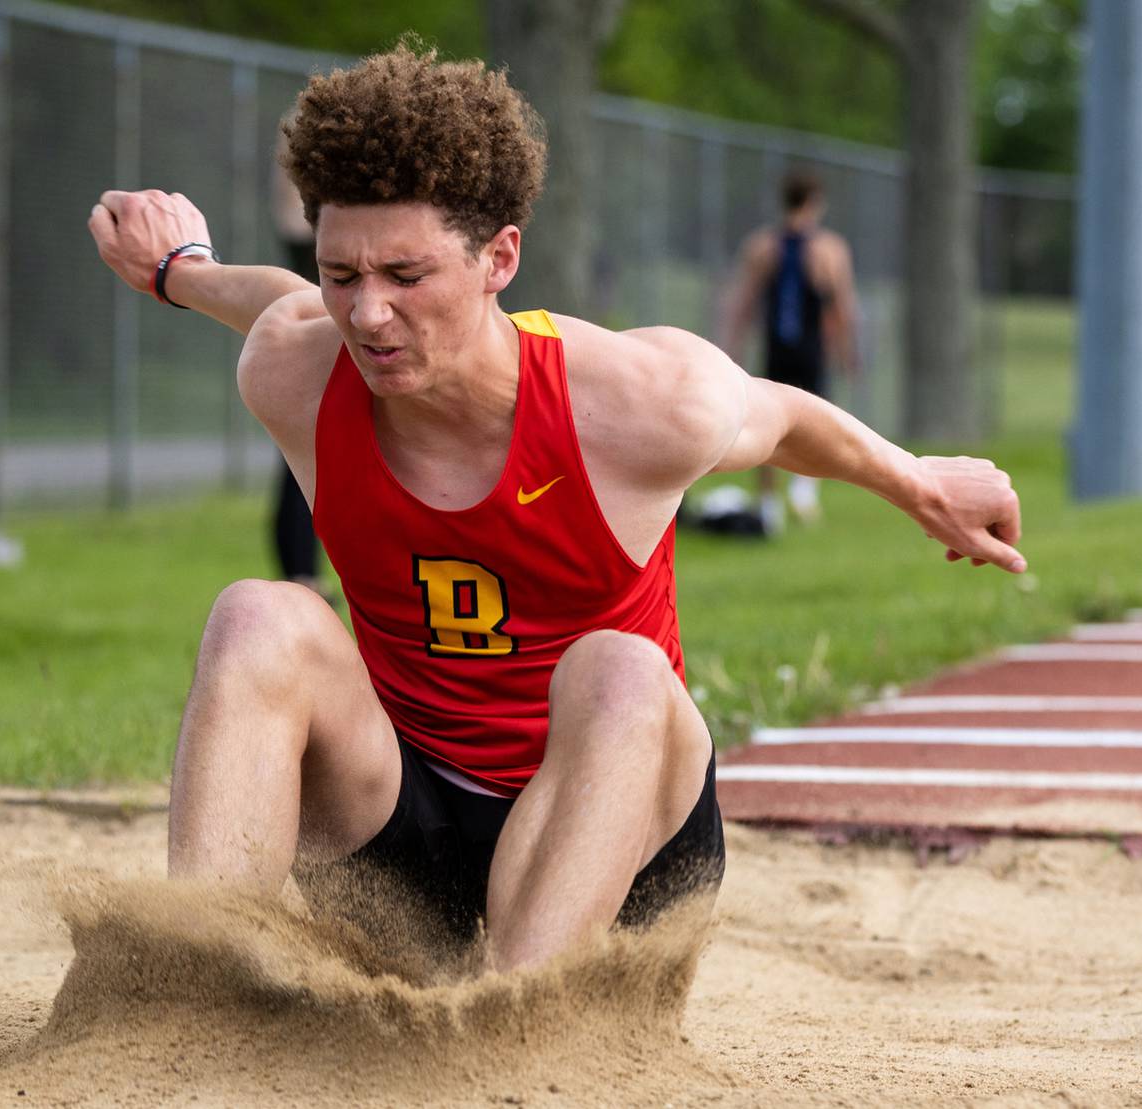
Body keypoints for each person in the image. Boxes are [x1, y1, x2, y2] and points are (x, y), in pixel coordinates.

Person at [87, 44, 1023, 973]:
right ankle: (190, 983)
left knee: (620, 669)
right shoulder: (297, 365)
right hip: (406, 843)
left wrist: (919, 481)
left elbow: (782, 419)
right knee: (259, 614)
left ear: (500, 258)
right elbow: (274, 303)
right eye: (343, 274)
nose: (368, 315)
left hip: (613, 851)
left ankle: (520, 1030)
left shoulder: (637, 402)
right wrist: (179, 268)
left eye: (406, 278)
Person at [725, 171, 860, 534]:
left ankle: (769, 503)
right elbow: (841, 307)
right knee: (820, 418)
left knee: (765, 422)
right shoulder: (829, 249)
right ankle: (804, 488)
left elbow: (743, 303)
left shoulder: (763, 246)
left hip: (777, 346)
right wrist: (849, 353)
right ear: (815, 202)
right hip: (811, 349)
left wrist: (731, 347)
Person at [268, 130, 327, 595]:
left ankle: (305, 577)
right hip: (313, 346)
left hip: (329, 342)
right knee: (299, 466)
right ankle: (302, 578)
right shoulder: (306, 214)